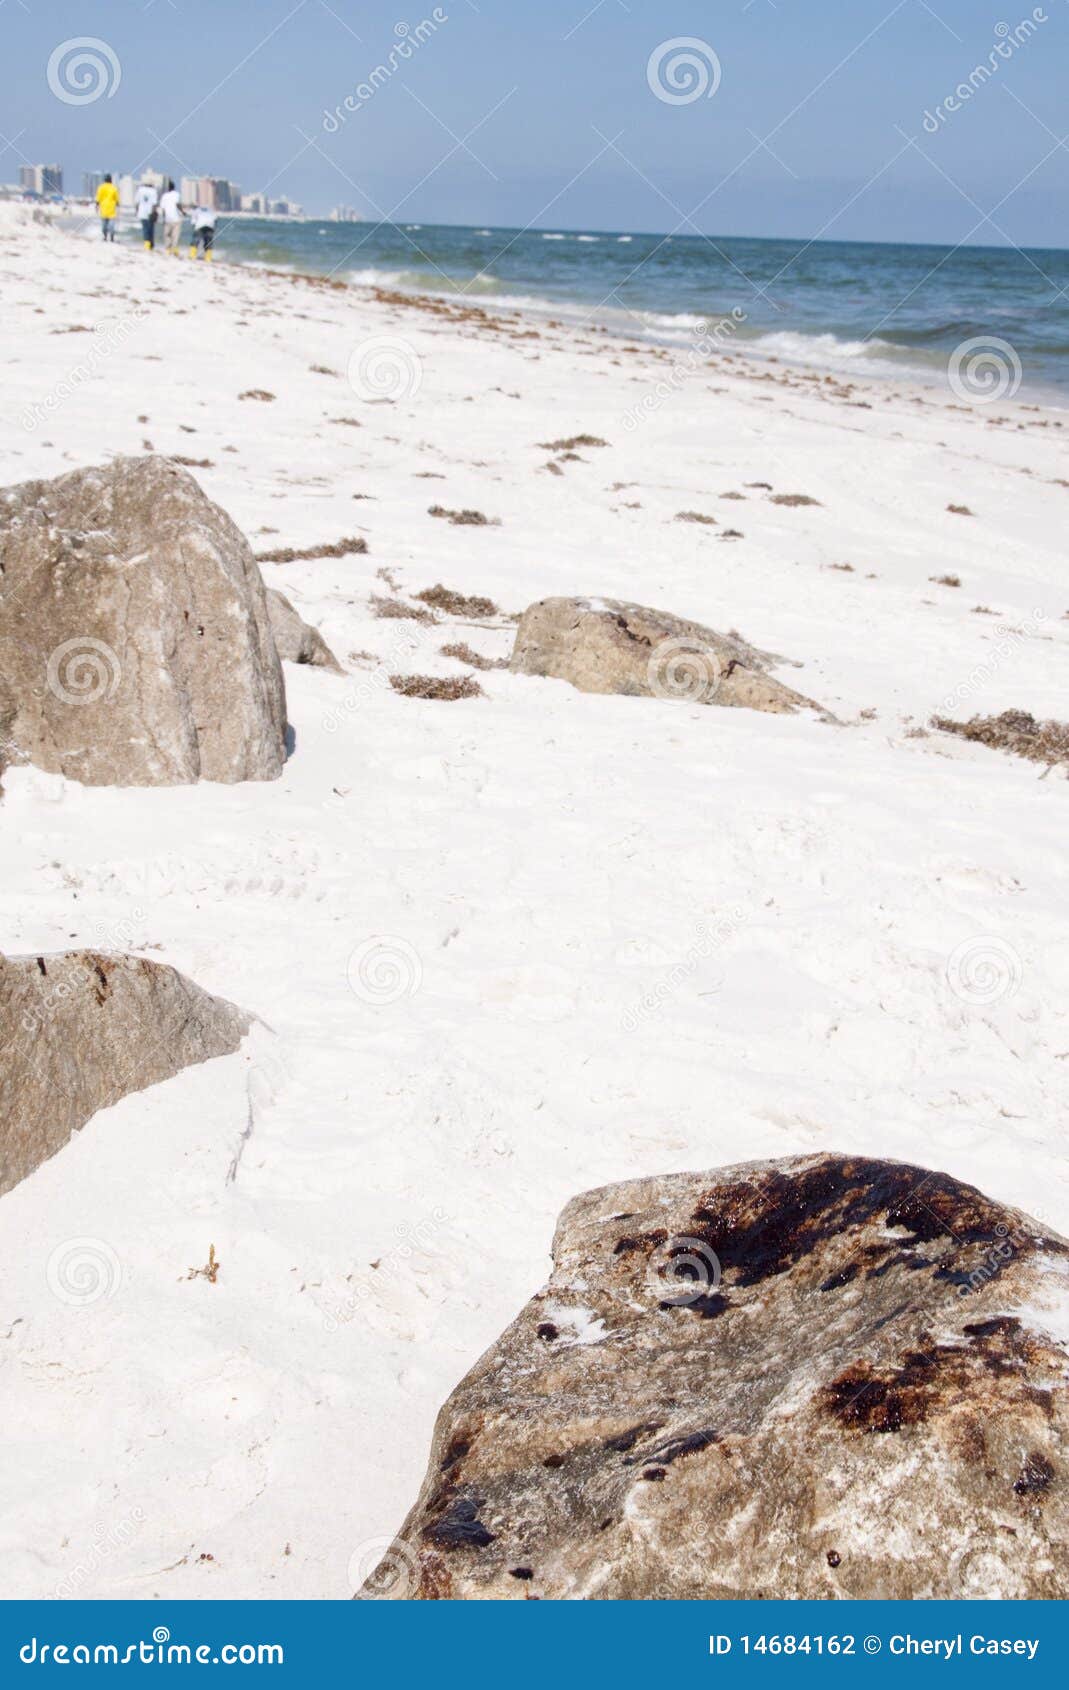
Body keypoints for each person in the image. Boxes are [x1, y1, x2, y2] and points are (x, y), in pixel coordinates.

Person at [158, 179, 184, 255]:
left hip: (167, 218)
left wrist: (163, 218)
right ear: (174, 187)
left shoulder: (164, 196)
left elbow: (163, 209)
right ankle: (174, 249)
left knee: (167, 235)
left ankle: (168, 249)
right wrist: (182, 212)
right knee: (175, 235)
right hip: (176, 218)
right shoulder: (177, 194)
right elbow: (178, 205)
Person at [135, 178, 159, 250]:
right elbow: (154, 204)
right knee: (150, 229)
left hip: (141, 212)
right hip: (150, 212)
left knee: (145, 229)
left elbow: (137, 202)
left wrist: (136, 211)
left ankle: (146, 244)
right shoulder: (153, 191)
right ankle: (150, 245)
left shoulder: (140, 190)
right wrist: (154, 212)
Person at [95, 173, 119, 242]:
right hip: (112, 210)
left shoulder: (101, 187)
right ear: (111, 180)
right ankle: (111, 238)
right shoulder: (114, 188)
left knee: (104, 226)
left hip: (103, 209)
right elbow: (117, 200)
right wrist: (117, 205)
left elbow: (98, 198)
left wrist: (96, 206)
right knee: (111, 226)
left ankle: (105, 237)